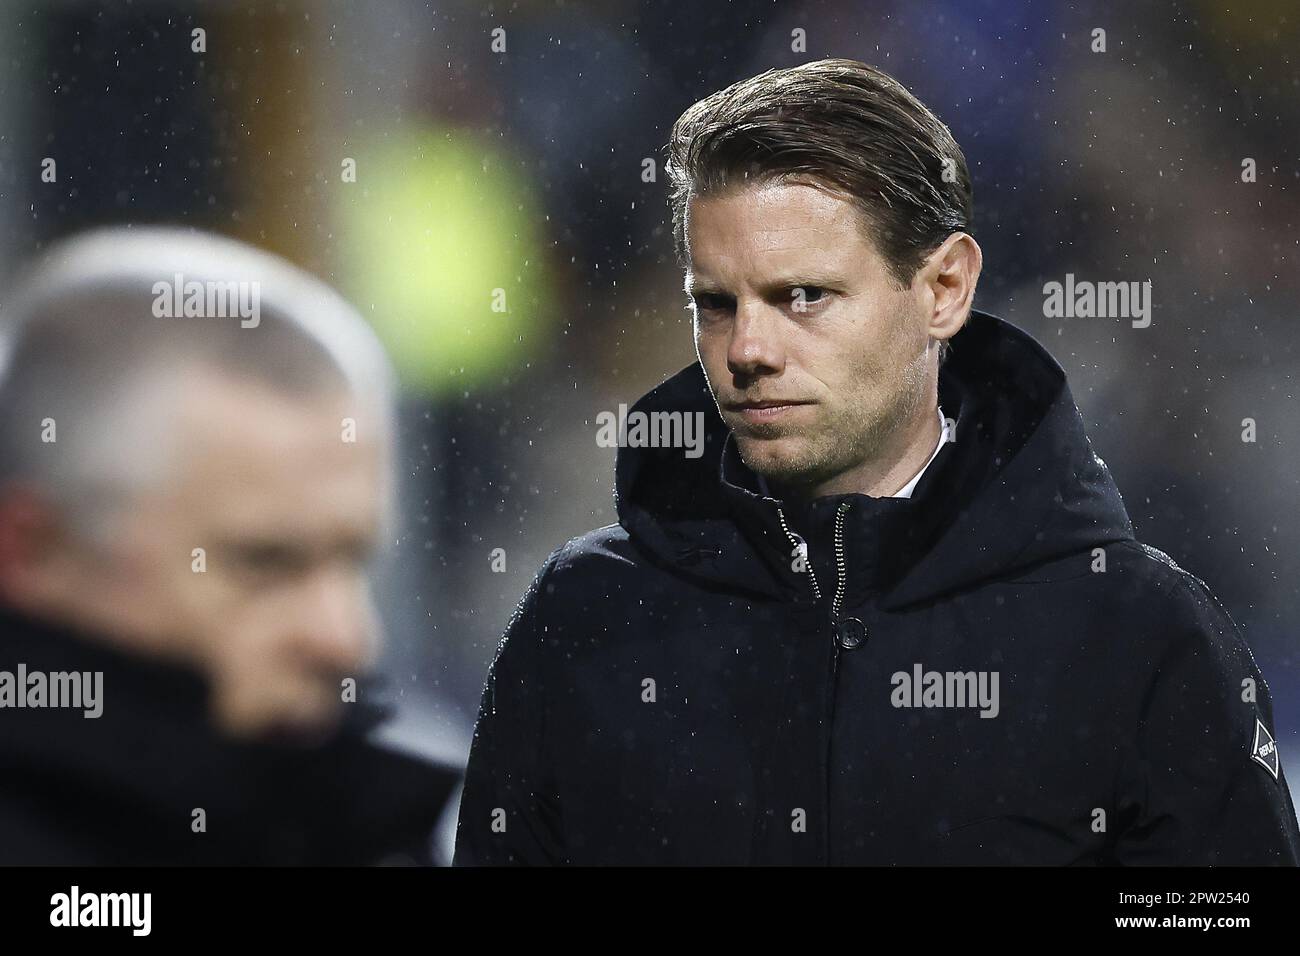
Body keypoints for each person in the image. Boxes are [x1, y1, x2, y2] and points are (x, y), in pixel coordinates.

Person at [455, 58, 1300, 865]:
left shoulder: (1142, 637)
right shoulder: (585, 617)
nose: (746, 348)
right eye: (715, 303)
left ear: (943, 290)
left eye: (804, 297)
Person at [0, 227, 457, 865]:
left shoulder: (370, 818)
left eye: (355, 560)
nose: (346, 640)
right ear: (33, 550)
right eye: (263, 563)